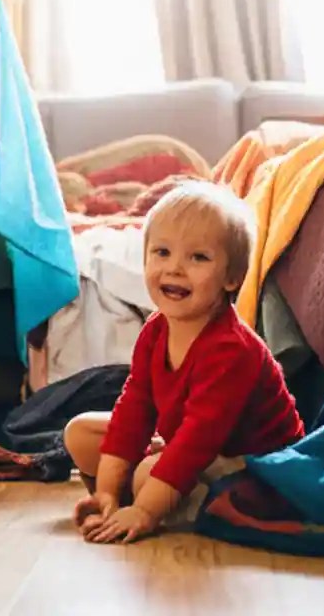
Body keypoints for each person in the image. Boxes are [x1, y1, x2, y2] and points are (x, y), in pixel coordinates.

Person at [63, 181, 305, 544]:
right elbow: (134, 409)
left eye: (198, 258)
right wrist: (107, 492)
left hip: (257, 468)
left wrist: (146, 511)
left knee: (147, 473)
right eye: (162, 252)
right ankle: (119, 505)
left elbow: (196, 440)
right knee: (80, 432)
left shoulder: (230, 349)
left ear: (231, 278)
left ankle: (149, 504)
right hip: (197, 447)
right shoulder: (155, 331)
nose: (175, 269)